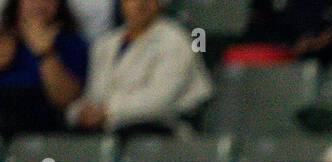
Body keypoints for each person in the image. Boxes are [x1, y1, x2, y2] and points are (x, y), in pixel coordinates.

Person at [65, 0, 211, 134]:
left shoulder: (175, 39)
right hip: (109, 130)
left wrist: (107, 111)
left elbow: (159, 101)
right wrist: (79, 113)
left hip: (163, 131)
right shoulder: (105, 44)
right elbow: (94, 95)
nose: (141, 3)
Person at [0, 0, 88, 133]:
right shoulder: (4, 39)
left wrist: (45, 53)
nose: (39, 4)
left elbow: (66, 100)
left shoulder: (71, 43)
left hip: (44, 132)